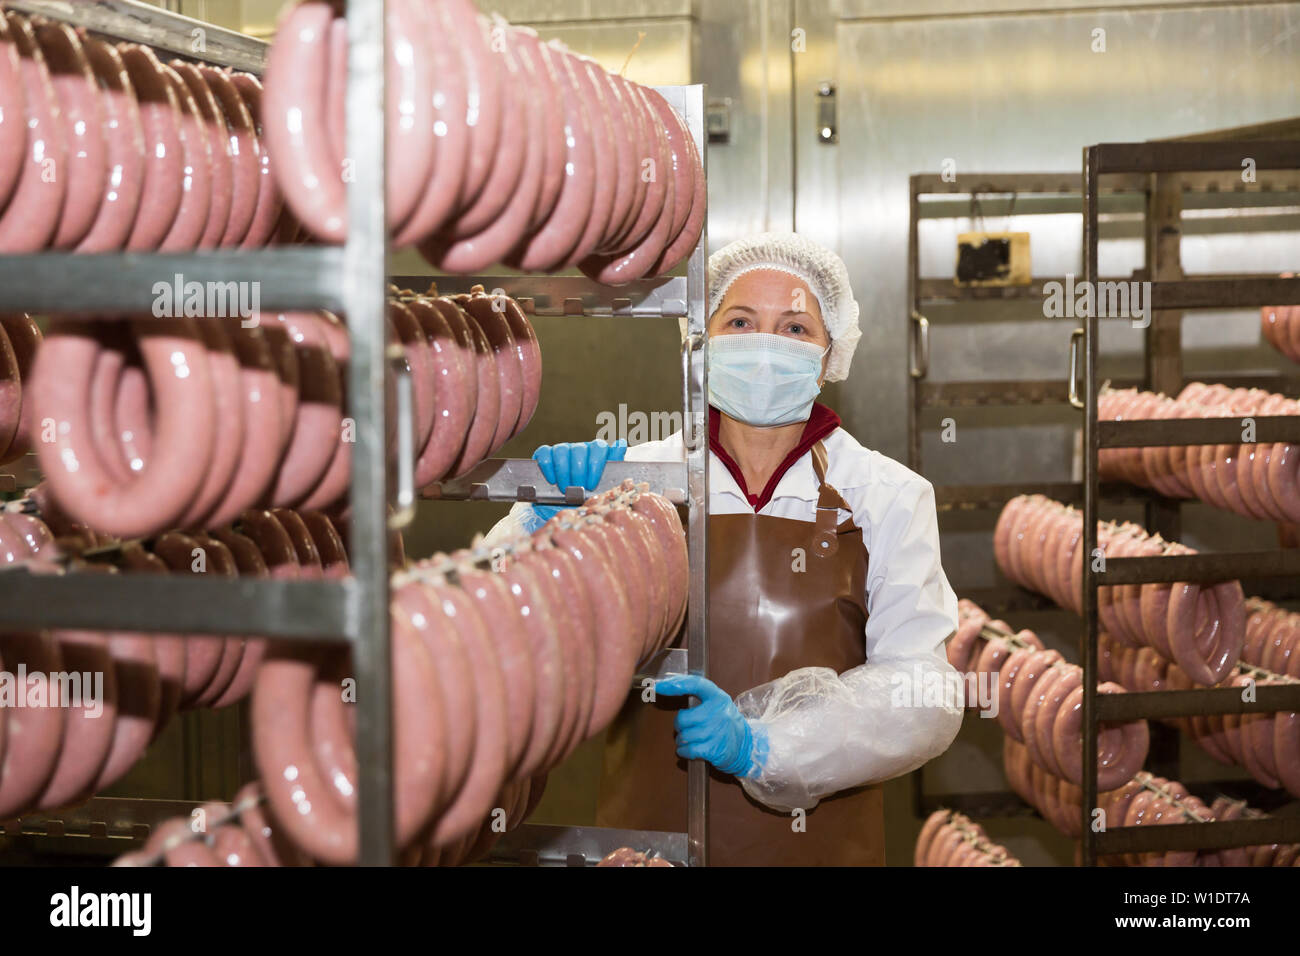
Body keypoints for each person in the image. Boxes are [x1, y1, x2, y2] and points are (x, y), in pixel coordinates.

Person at [487, 232, 961, 866]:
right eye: (740, 321)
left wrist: (765, 746)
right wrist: (541, 523)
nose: (765, 344)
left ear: (829, 355)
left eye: (794, 327)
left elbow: (921, 689)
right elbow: (488, 620)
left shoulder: (887, 496)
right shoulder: (638, 479)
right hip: (649, 843)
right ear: (703, 343)